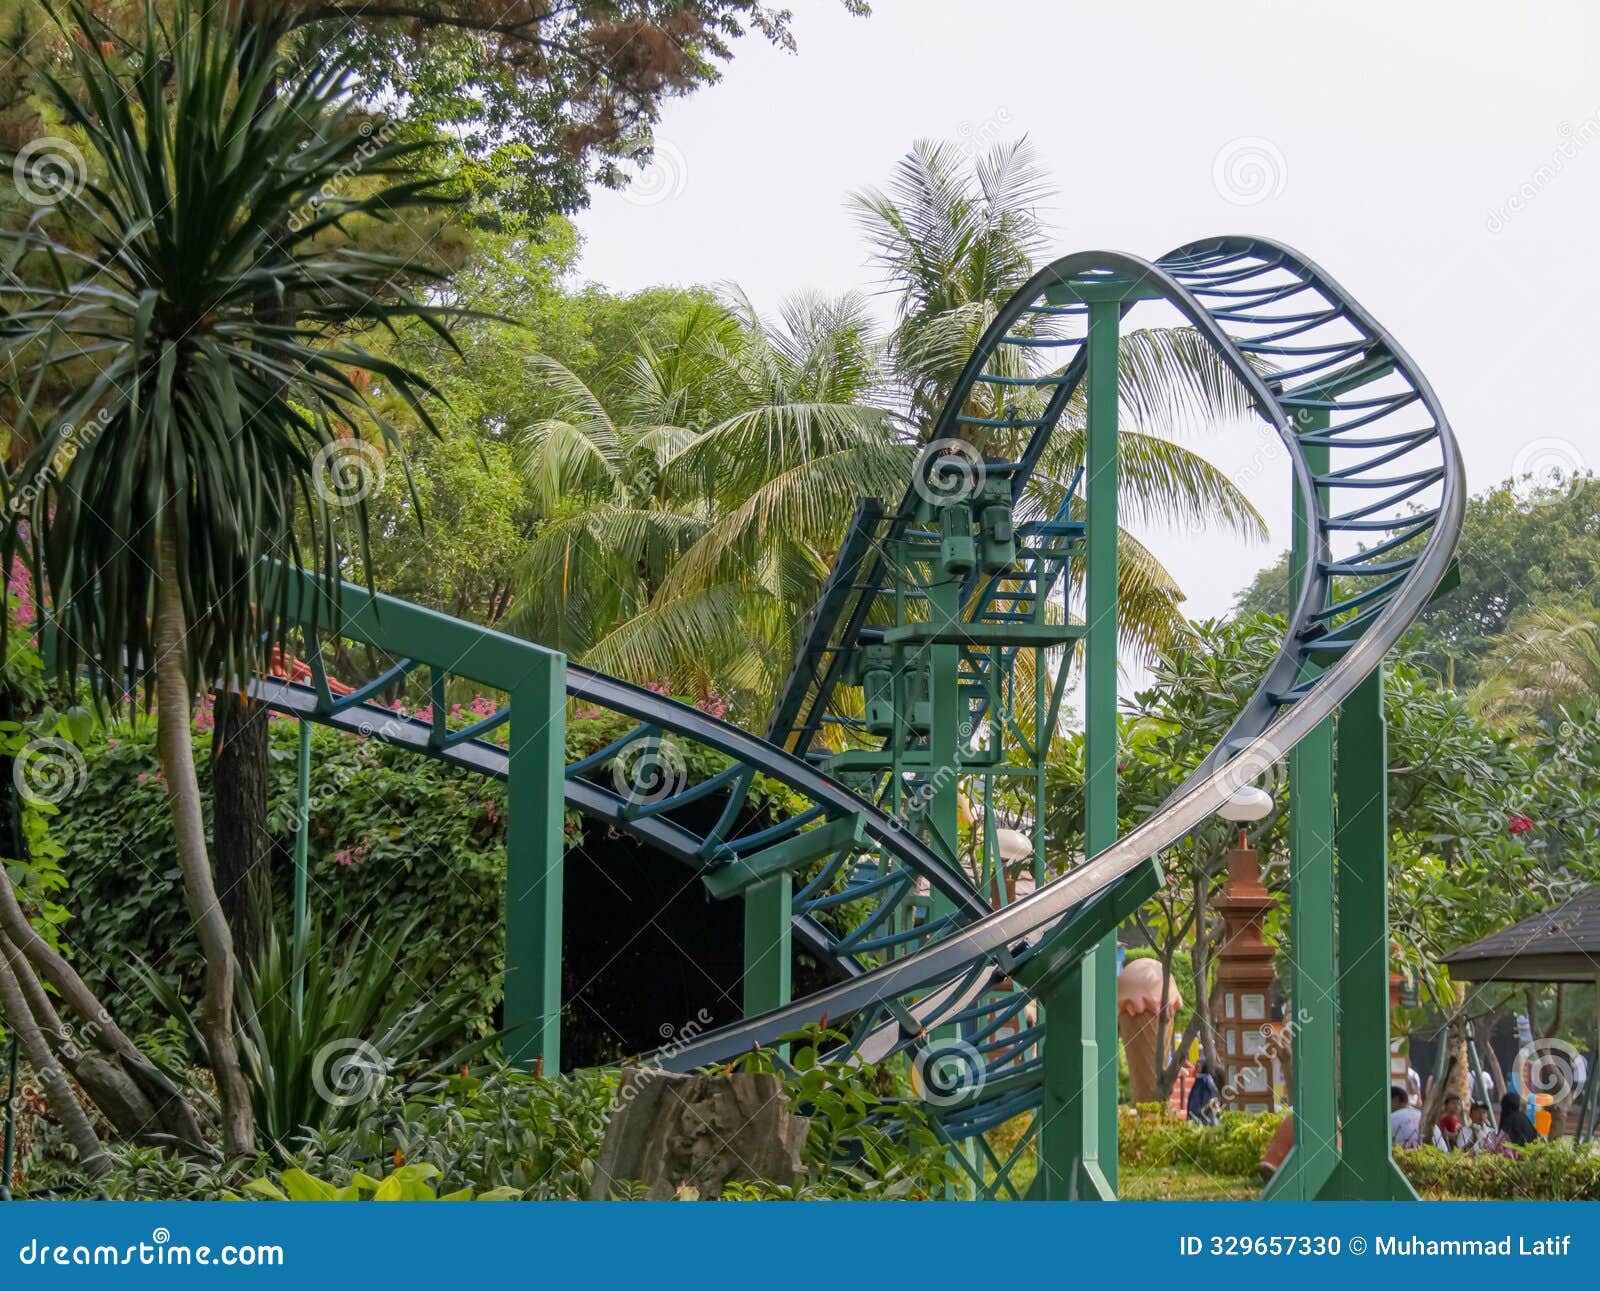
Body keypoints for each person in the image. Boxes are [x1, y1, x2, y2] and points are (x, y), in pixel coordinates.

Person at [1187, 1058, 1221, 1126]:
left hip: (1204, 1107)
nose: (1197, 1065)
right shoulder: (1198, 1079)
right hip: (1194, 1108)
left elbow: (1214, 1091)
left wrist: (1214, 1103)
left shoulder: (1207, 1079)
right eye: (1197, 1063)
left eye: (1200, 1063)